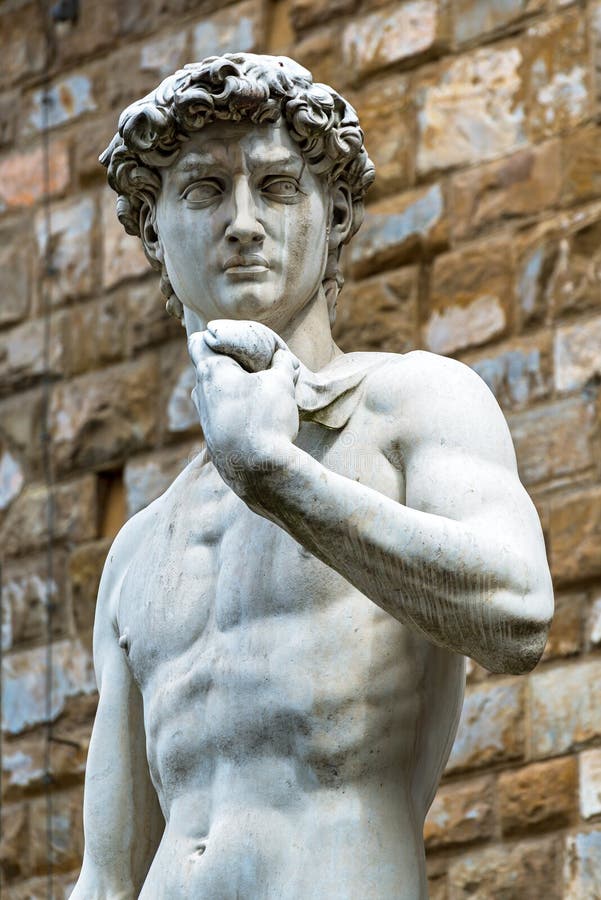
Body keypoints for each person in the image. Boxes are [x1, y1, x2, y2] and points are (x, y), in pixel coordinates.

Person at [71, 53, 553, 899]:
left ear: (334, 215)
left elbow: (515, 613)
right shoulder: (140, 548)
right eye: (204, 190)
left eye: (279, 186)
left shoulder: (411, 404)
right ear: (151, 230)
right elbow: (106, 878)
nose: (245, 222)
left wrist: (276, 476)